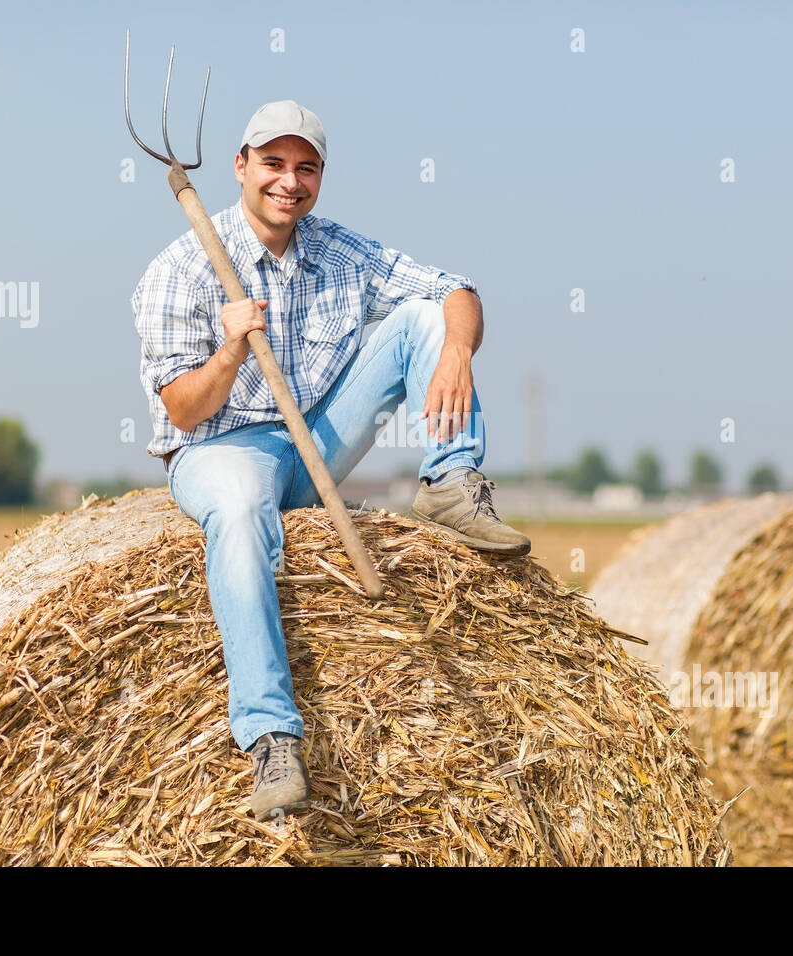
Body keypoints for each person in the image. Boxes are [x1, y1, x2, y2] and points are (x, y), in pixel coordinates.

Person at [132, 99, 529, 819]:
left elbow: (458, 292)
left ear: (320, 177)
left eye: (305, 167)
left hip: (314, 439)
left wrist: (458, 350)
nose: (290, 181)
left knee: (424, 318)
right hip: (223, 448)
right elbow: (183, 410)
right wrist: (229, 348)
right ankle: (270, 736)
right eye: (274, 164)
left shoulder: (344, 252)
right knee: (241, 512)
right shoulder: (181, 269)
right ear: (240, 166)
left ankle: (450, 482)